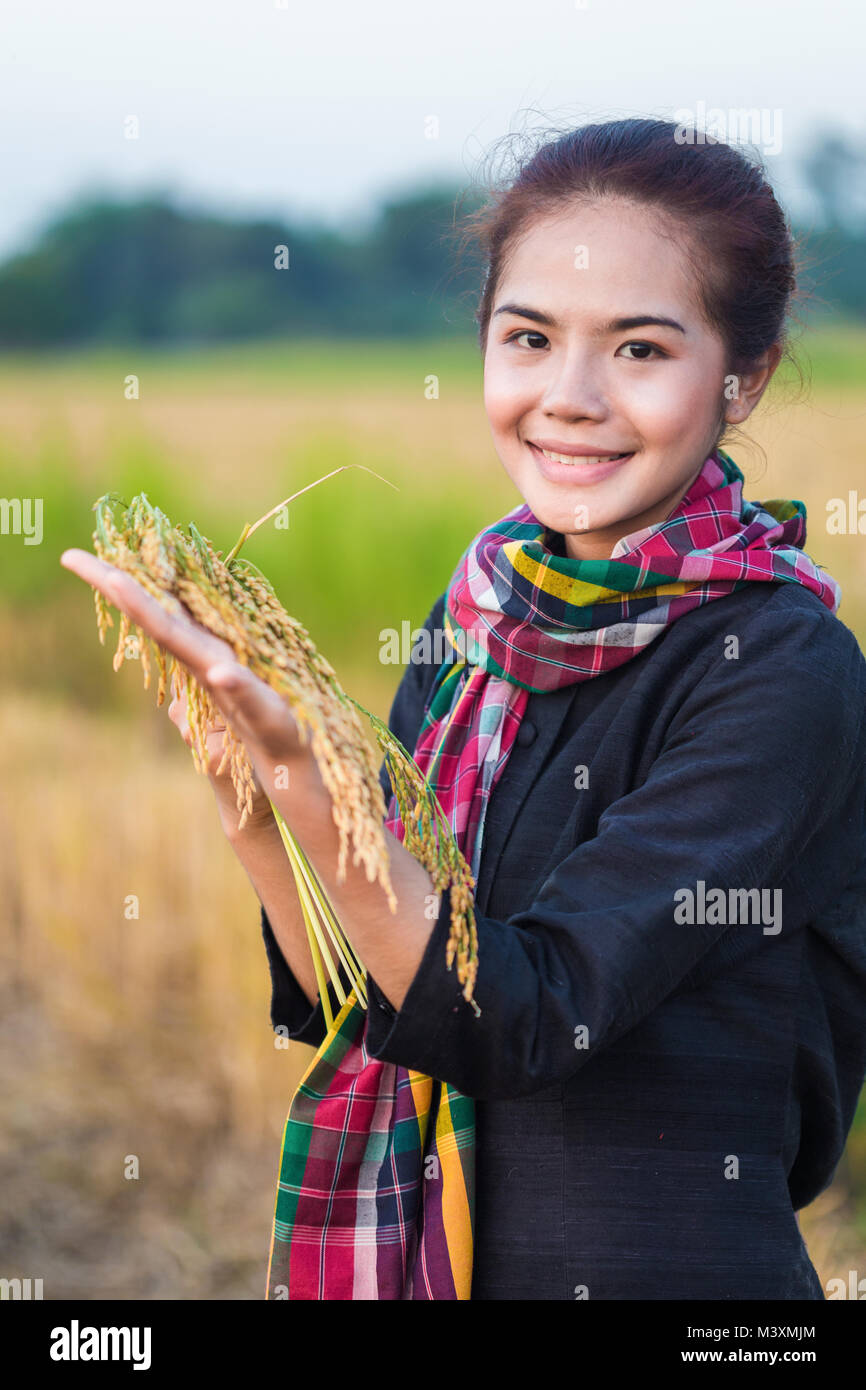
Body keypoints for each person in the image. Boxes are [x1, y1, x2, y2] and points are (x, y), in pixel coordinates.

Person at [62, 117, 866, 1301]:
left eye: (639, 350)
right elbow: (363, 993)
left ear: (740, 376)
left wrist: (312, 790)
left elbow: (526, 1020)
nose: (568, 398)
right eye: (527, 338)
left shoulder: (776, 666)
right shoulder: (476, 614)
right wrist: (252, 791)